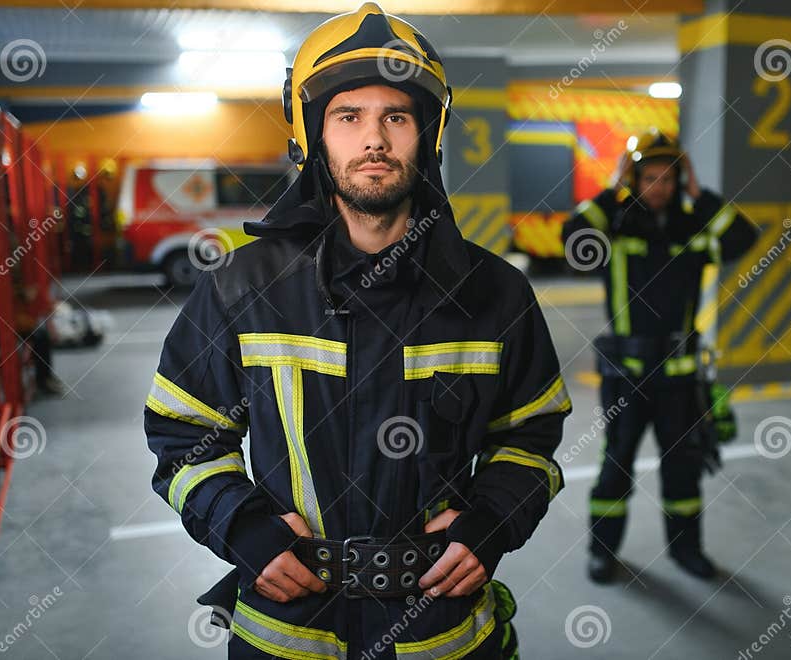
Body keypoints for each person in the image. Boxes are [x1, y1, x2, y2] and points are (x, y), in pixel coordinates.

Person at [144, 4, 571, 658]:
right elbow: (182, 437)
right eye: (349, 117)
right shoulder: (242, 288)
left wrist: (490, 525)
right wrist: (243, 526)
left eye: (396, 117)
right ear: (313, 135)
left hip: (445, 635)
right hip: (290, 633)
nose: (374, 139)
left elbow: (531, 439)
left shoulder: (495, 294)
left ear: (427, 134)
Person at [562, 130, 758, 583]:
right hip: (626, 376)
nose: (659, 187)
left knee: (683, 470)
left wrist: (699, 194)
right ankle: (603, 551)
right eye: (649, 178)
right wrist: (613, 192)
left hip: (679, 376)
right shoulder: (613, 227)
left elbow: (742, 236)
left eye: (669, 179)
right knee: (616, 466)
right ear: (634, 178)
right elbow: (573, 235)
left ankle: (686, 551)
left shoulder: (693, 228)